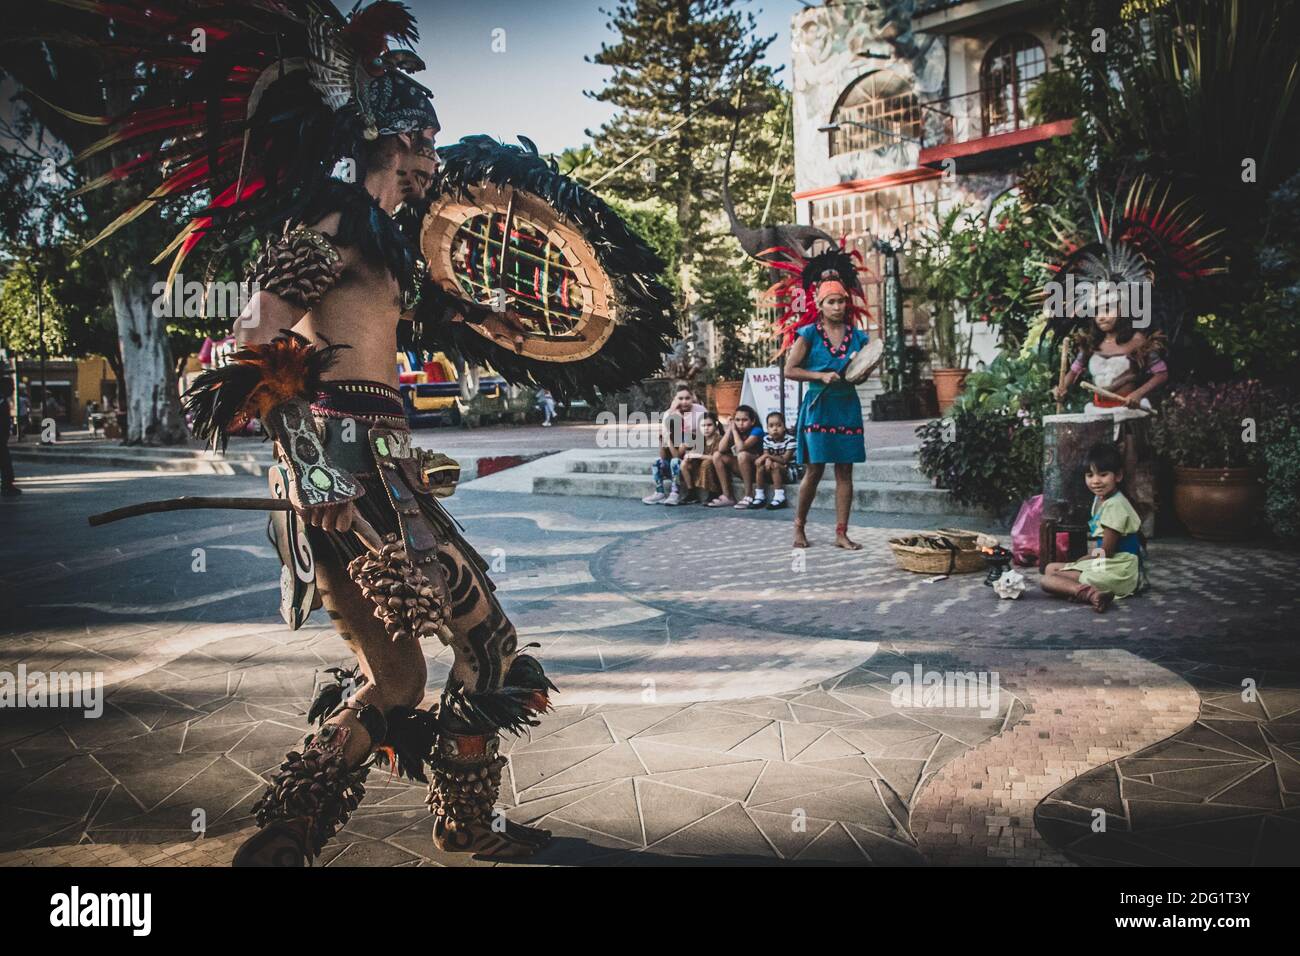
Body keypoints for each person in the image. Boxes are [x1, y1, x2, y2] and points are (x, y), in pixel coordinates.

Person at [80, 0, 559, 864]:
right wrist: (313, 472)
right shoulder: (331, 228)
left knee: (400, 678)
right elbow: (245, 349)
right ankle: (463, 822)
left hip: (376, 474)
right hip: (349, 477)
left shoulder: (377, 245)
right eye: (425, 143)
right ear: (387, 134)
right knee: (486, 642)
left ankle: (286, 835)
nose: (432, 163)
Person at [784, 276, 869, 549]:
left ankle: (841, 533)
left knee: (845, 471)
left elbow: (862, 374)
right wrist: (819, 376)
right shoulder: (808, 334)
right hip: (818, 406)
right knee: (815, 470)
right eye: (831, 302)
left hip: (846, 406)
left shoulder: (858, 336)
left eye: (841, 301)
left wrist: (861, 373)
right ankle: (799, 527)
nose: (837, 306)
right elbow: (790, 370)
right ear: (820, 305)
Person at [1040, 442, 1143, 613]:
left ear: (1118, 476)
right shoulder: (1101, 499)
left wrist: (1084, 560)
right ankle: (1083, 589)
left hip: (1117, 567)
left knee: (1047, 580)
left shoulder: (1114, 505)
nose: (1095, 481)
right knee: (1051, 568)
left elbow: (1107, 551)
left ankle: (1091, 594)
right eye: (1090, 475)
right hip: (1107, 561)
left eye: (1103, 474)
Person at [1054, 293, 1168, 412]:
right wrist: (1061, 388)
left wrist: (1138, 394)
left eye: (1107, 310)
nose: (1101, 317)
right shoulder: (1091, 344)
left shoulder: (1136, 341)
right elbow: (1074, 371)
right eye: (1097, 312)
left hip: (1128, 412)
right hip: (1098, 412)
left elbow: (1161, 374)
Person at [643, 383, 706, 505]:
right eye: (680, 399)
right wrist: (663, 440)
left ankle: (675, 493)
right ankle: (659, 492)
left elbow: (678, 455)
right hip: (674, 454)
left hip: (690, 455)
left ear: (692, 398)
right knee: (657, 462)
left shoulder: (699, 411)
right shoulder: (669, 415)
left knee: (675, 461)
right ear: (674, 400)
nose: (684, 402)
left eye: (687, 398)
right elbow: (663, 455)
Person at [708, 404, 764, 508]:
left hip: (759, 470)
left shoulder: (757, 431)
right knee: (717, 456)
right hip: (743, 469)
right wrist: (730, 429)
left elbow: (741, 448)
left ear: (752, 421)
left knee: (742, 455)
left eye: (744, 420)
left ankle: (748, 495)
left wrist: (734, 431)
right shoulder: (735, 430)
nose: (740, 423)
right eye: (737, 420)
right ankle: (728, 496)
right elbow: (721, 448)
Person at [754, 411, 798, 510]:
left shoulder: (791, 440)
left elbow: (784, 460)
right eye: (771, 426)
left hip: (789, 472)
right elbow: (766, 454)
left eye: (778, 425)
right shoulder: (767, 439)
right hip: (773, 468)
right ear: (767, 428)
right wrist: (767, 458)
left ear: (784, 427)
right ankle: (760, 495)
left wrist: (767, 457)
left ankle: (779, 497)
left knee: (776, 465)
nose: (775, 429)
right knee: (760, 466)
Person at [675, 411, 722, 505]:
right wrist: (690, 456)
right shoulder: (700, 439)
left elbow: (716, 458)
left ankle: (713, 493)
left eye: (709, 425)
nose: (706, 428)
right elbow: (694, 452)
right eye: (703, 426)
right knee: (684, 464)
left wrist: (699, 456)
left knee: (706, 463)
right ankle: (691, 491)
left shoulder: (719, 439)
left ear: (715, 425)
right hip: (701, 466)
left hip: (715, 468)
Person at [1, 377, 20, 498]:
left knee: (5, 461)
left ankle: (7, 484)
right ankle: (7, 485)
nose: (13, 389)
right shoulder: (2, 401)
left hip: (2, 439)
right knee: (5, 461)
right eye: (11, 386)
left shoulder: (4, 401)